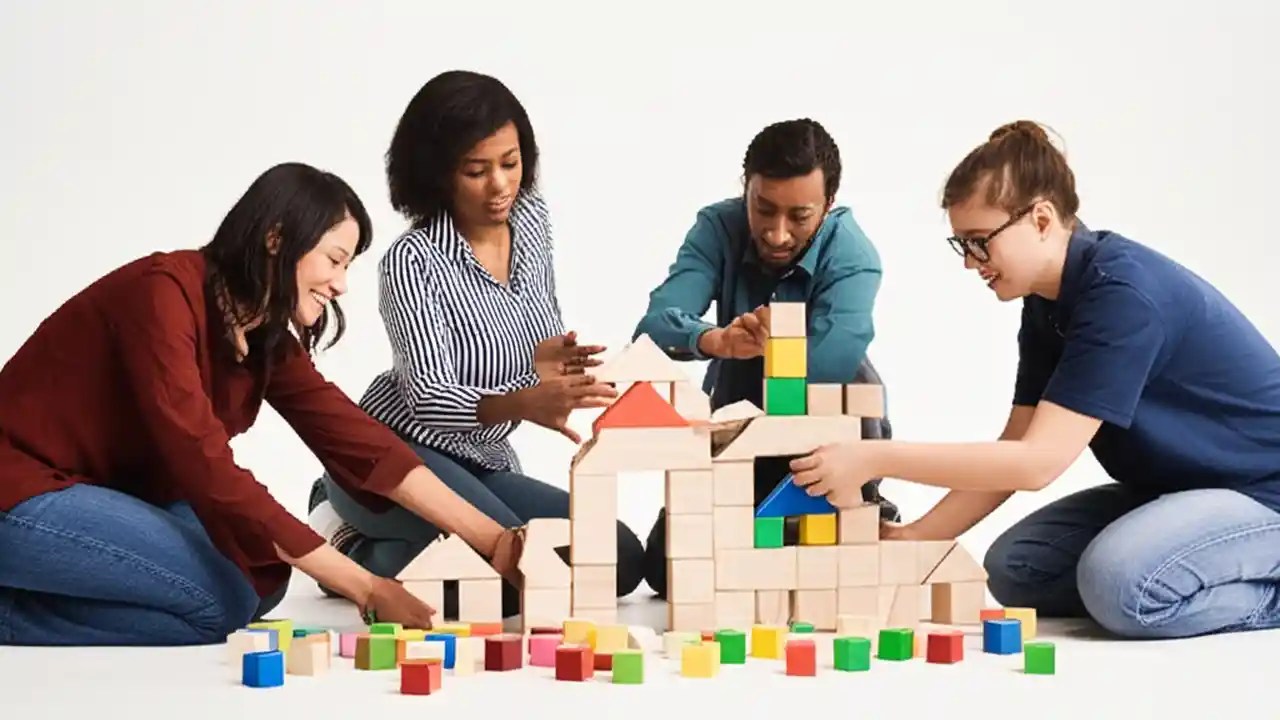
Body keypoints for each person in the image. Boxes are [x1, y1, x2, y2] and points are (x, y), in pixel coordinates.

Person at [0, 162, 528, 647]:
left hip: (109, 494)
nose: (341, 285)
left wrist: (496, 539)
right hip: (21, 488)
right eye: (334, 260)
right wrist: (368, 588)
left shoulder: (264, 335)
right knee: (220, 602)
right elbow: (205, 465)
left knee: (262, 581)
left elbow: (361, 442)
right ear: (277, 239)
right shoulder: (161, 296)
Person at [790, 120, 1280, 639]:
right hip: (1177, 490)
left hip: (1259, 490)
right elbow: (1017, 444)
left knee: (1120, 585)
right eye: (962, 245)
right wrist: (917, 538)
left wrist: (873, 456)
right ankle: (1178, 559)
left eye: (979, 243)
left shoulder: (1123, 297)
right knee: (1017, 567)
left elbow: (1037, 464)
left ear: (1042, 219)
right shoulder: (1047, 304)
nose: (971, 264)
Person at [306, 70, 645, 616]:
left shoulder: (532, 221)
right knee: (514, 573)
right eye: (476, 170)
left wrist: (551, 367)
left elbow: (538, 326)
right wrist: (523, 402)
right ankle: (343, 535)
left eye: (510, 163)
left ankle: (373, 546)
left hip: (482, 460)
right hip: (393, 456)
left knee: (618, 559)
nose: (500, 186)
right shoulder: (412, 261)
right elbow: (427, 398)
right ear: (438, 174)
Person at [632, 118, 899, 598]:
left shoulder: (854, 255)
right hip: (736, 411)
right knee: (666, 569)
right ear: (746, 189)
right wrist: (717, 341)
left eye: (799, 216)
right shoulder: (718, 226)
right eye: (763, 209)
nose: (777, 234)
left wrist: (782, 352)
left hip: (824, 421)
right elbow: (654, 326)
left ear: (829, 203)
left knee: (825, 566)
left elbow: (831, 365)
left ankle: (864, 504)